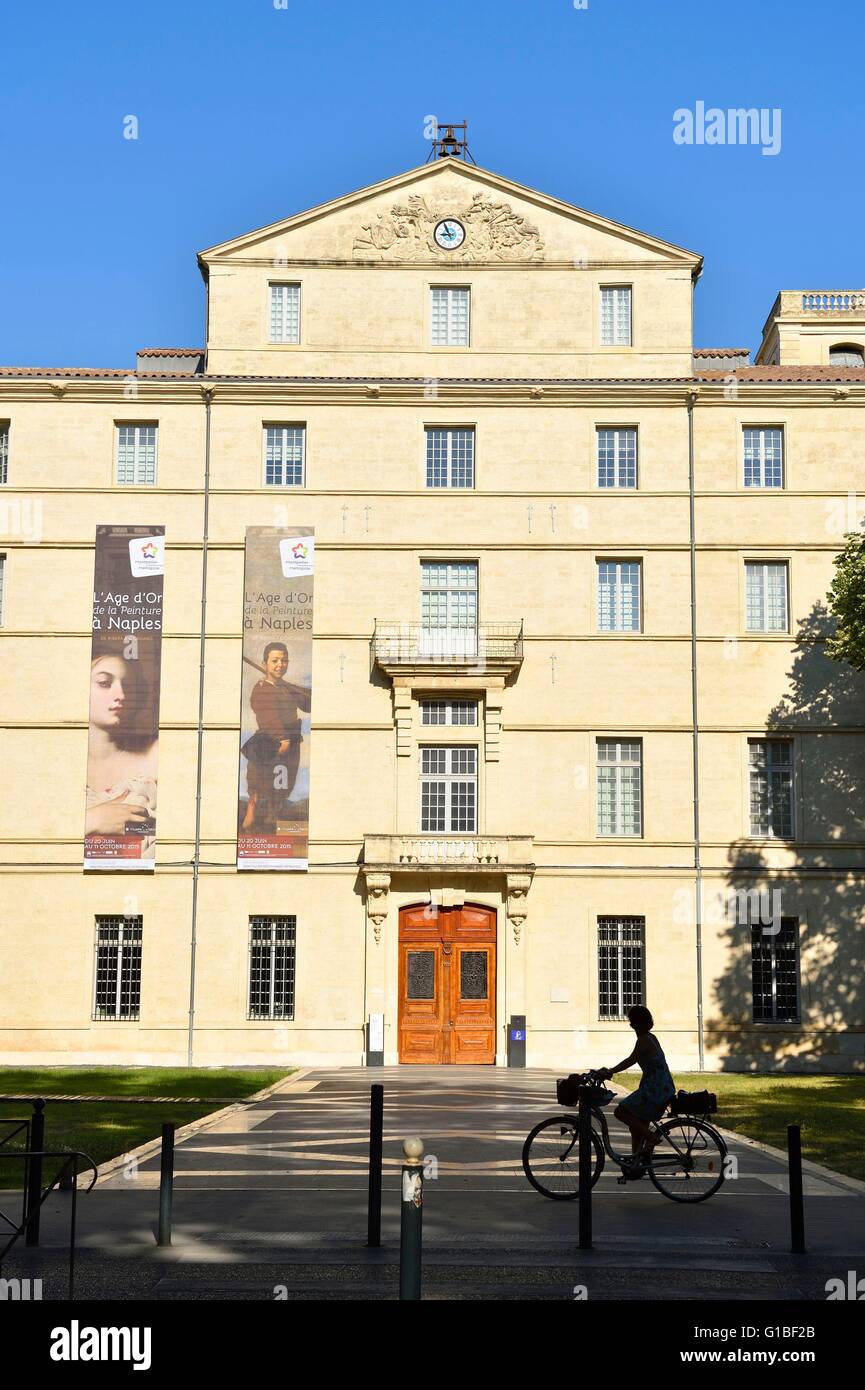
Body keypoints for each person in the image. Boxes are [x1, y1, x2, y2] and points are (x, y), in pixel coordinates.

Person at [85, 650, 158, 854]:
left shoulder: (154, 755)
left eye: (128, 687)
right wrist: (93, 819)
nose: (121, 696)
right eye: (104, 683)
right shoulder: (52, 758)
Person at [241, 642, 311, 833]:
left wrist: (293, 689)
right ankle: (250, 818)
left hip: (291, 743)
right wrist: (283, 739)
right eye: (275, 661)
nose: (280, 665)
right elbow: (267, 715)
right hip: (270, 743)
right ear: (265, 664)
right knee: (259, 783)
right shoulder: (262, 688)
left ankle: (273, 817)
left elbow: (309, 703)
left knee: (282, 785)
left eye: (284, 660)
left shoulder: (287, 689)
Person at [596, 1004, 676, 1166]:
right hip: (662, 1087)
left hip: (655, 1090)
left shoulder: (644, 1041)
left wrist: (609, 1072)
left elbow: (630, 1060)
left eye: (632, 1022)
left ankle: (652, 1138)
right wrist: (610, 1070)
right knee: (637, 1126)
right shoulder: (651, 1037)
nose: (631, 1025)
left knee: (621, 1112)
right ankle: (636, 1163)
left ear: (638, 1023)